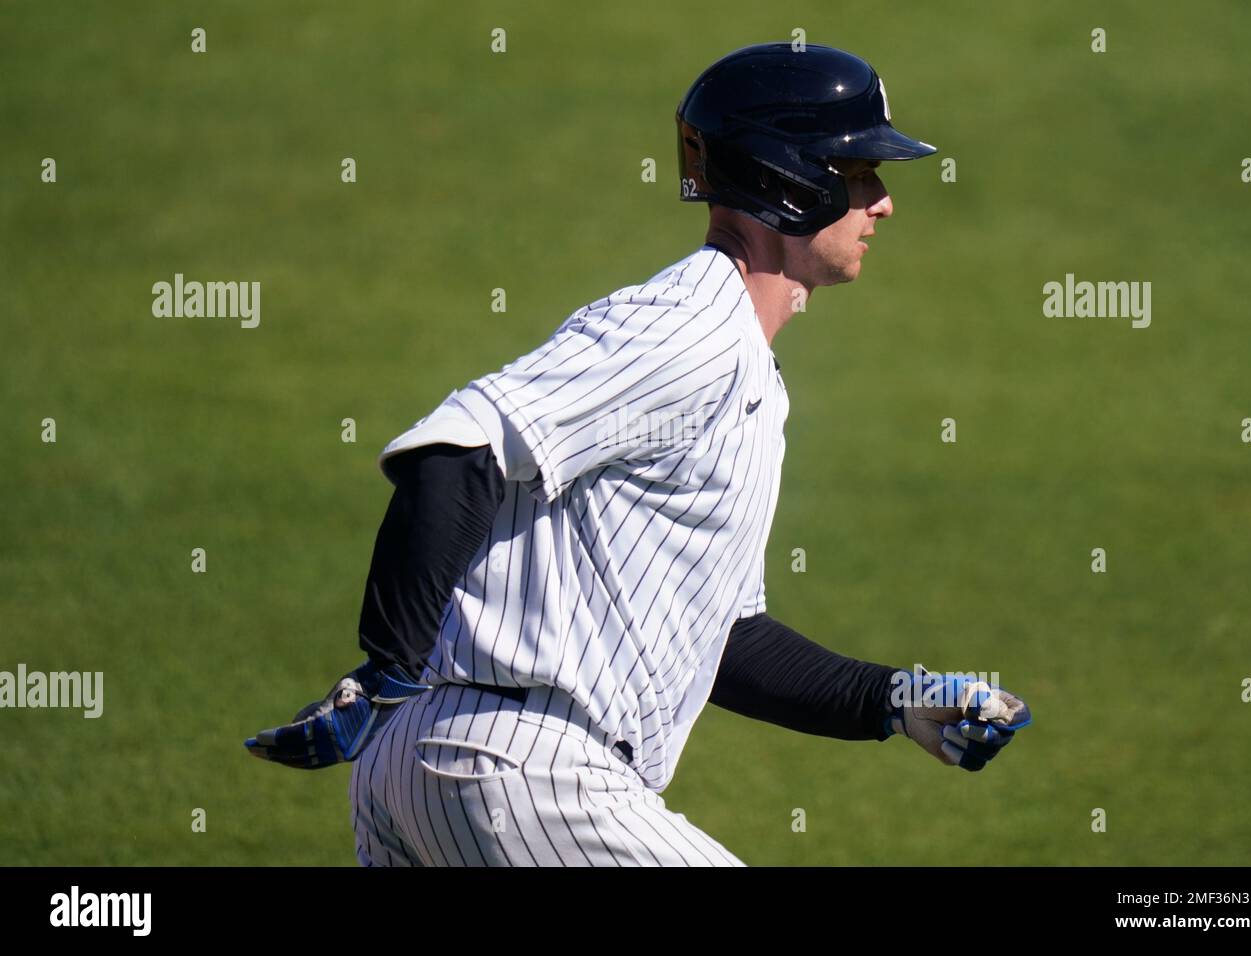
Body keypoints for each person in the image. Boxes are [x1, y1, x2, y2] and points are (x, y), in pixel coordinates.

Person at [246, 42, 1031, 867]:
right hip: (520, 773)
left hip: (441, 769)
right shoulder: (688, 329)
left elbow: (725, 640)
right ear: (790, 181)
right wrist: (386, 669)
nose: (883, 204)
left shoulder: (736, 362)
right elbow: (456, 449)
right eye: (861, 172)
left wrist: (893, 700)